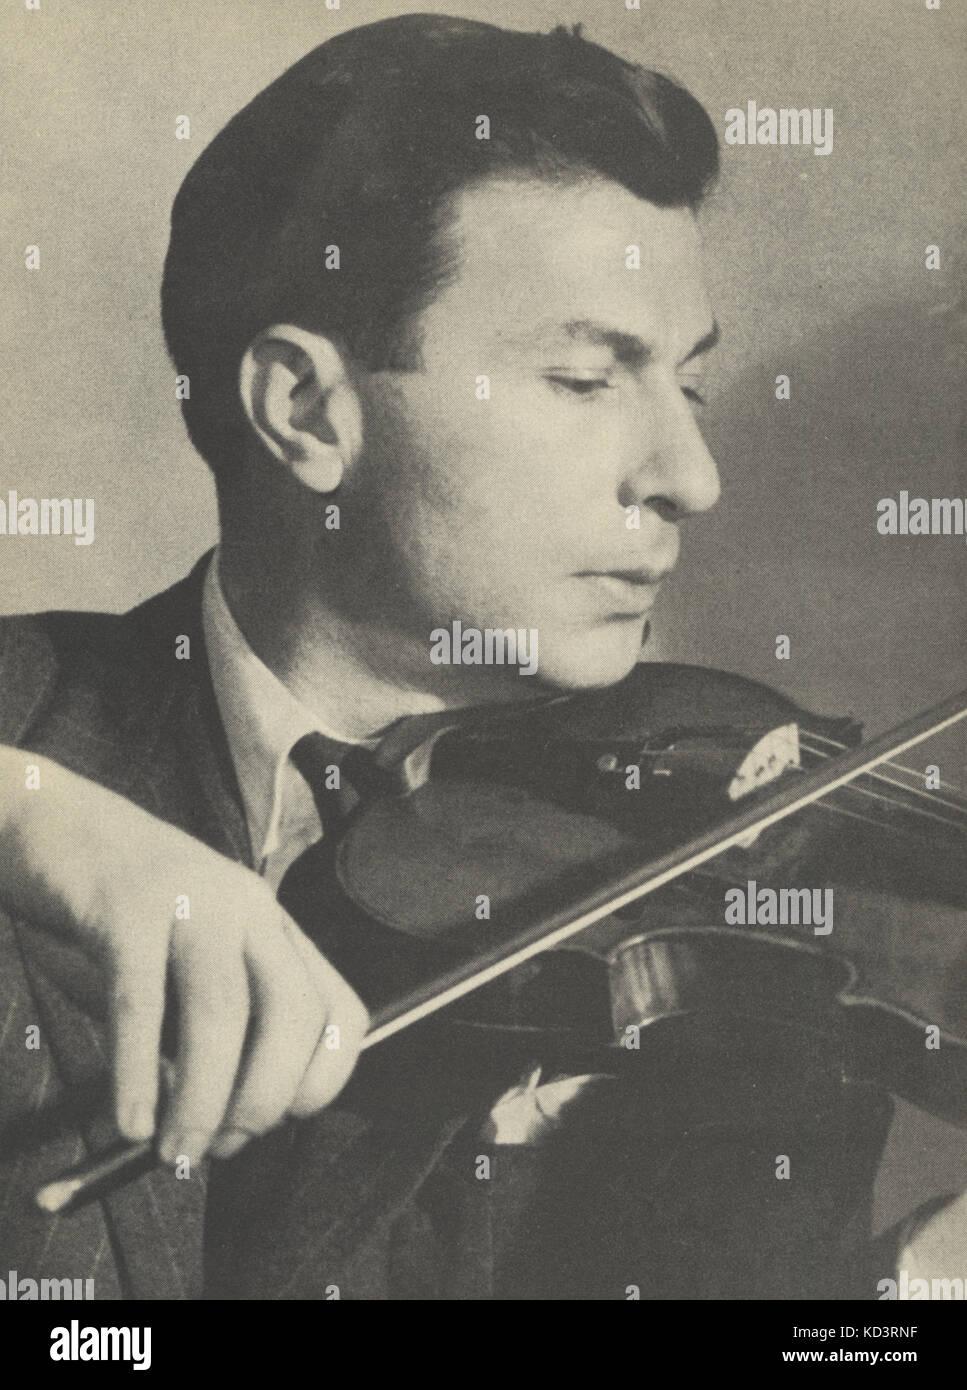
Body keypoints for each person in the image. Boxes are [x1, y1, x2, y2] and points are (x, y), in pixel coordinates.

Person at [0, 13, 962, 1300]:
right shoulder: (32, 741)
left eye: (689, 385)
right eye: (583, 378)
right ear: (304, 411)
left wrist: (912, 1292)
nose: (691, 476)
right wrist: (31, 820)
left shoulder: (740, 877)